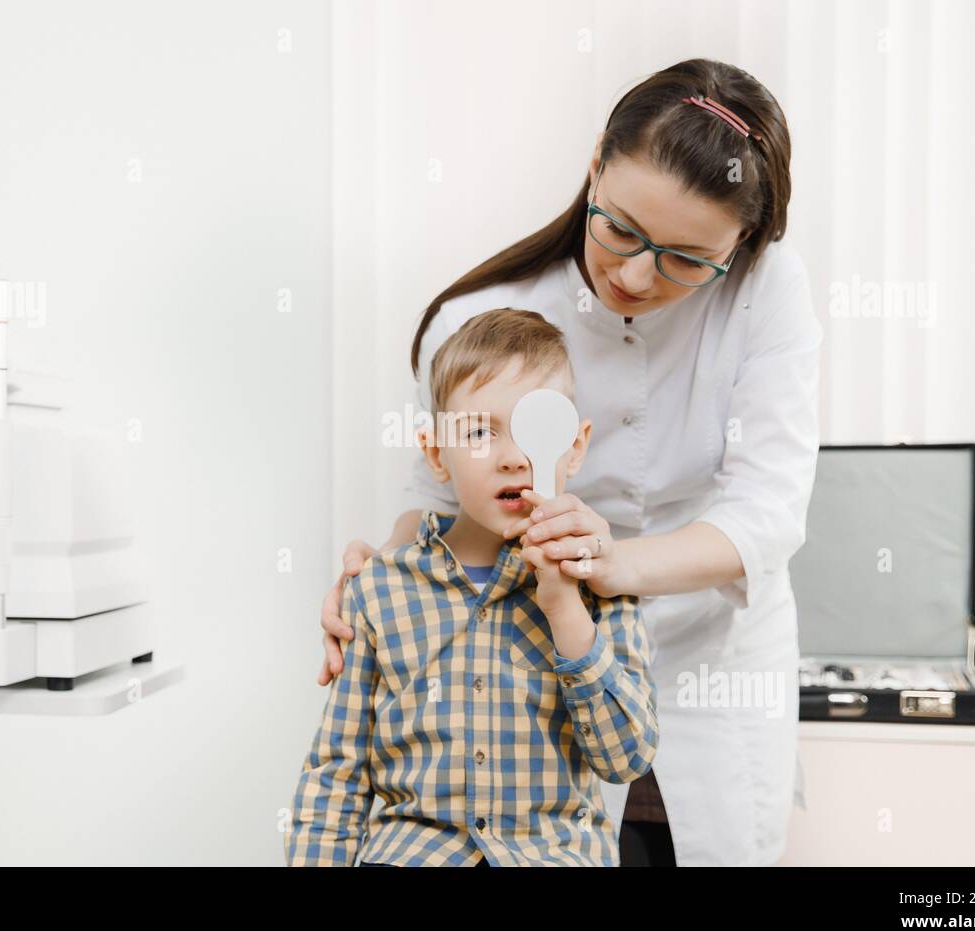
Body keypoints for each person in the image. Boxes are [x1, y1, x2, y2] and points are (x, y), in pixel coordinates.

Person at [318, 58, 823, 866]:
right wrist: (386, 570)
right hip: (533, 681)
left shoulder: (767, 292)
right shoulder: (478, 318)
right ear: (594, 165)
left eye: (686, 259)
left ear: (744, 245)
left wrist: (606, 562)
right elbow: (436, 500)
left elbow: (767, 513)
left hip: (712, 667)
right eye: (619, 228)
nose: (632, 274)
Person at [287, 309, 657, 866]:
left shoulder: (601, 585)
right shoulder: (381, 590)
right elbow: (336, 771)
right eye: (479, 432)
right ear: (436, 453)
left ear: (574, 447)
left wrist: (564, 610)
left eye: (533, 430)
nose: (511, 457)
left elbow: (625, 757)